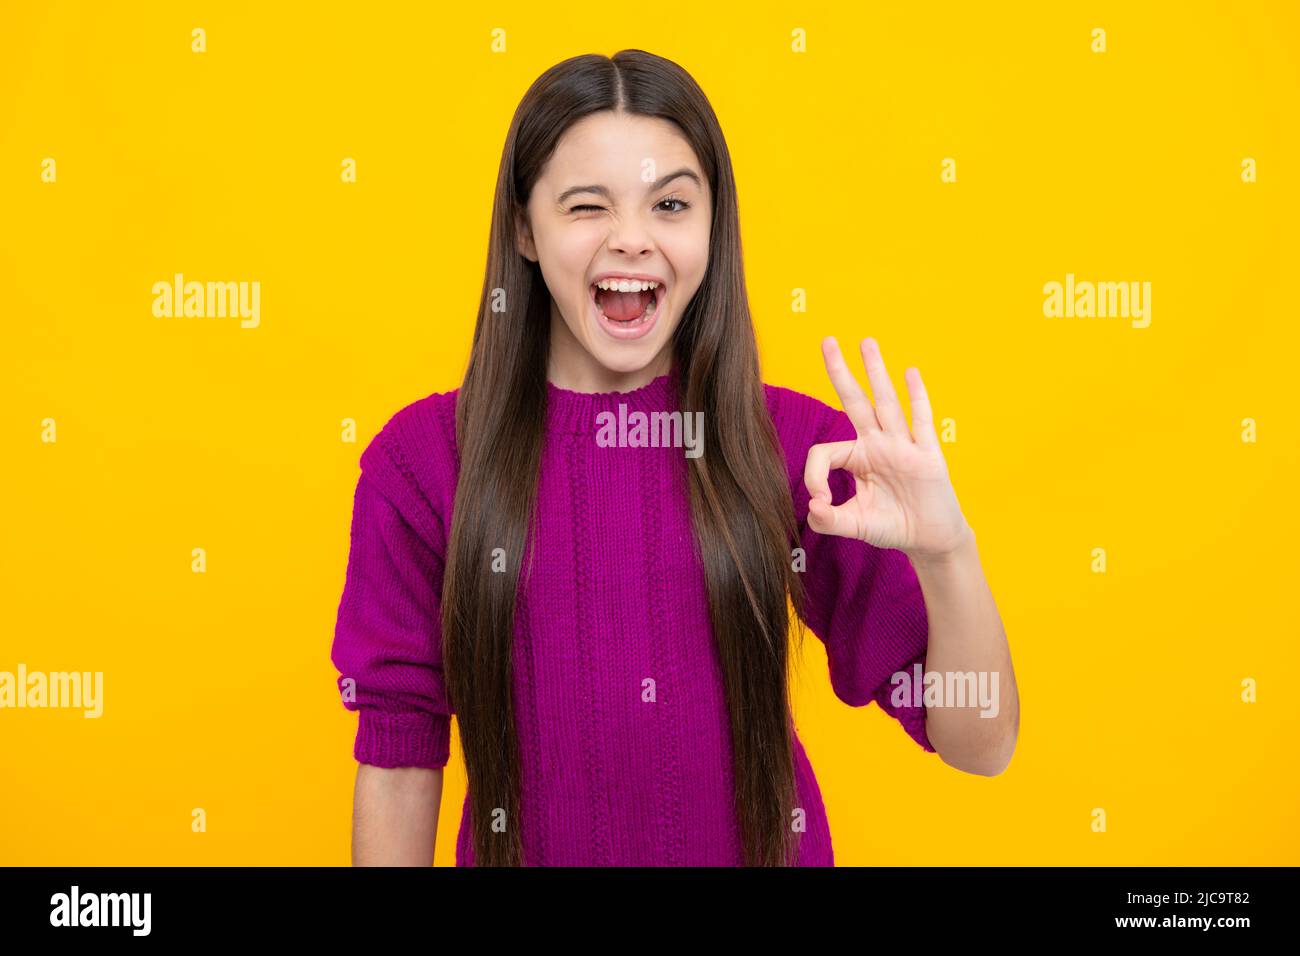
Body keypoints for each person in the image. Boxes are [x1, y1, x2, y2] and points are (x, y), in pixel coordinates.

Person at [330, 49, 1018, 867]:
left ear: (711, 225)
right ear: (523, 227)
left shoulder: (793, 449)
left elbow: (981, 744)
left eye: (670, 205)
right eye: (587, 207)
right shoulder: (422, 467)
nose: (632, 240)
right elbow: (399, 760)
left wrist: (948, 554)